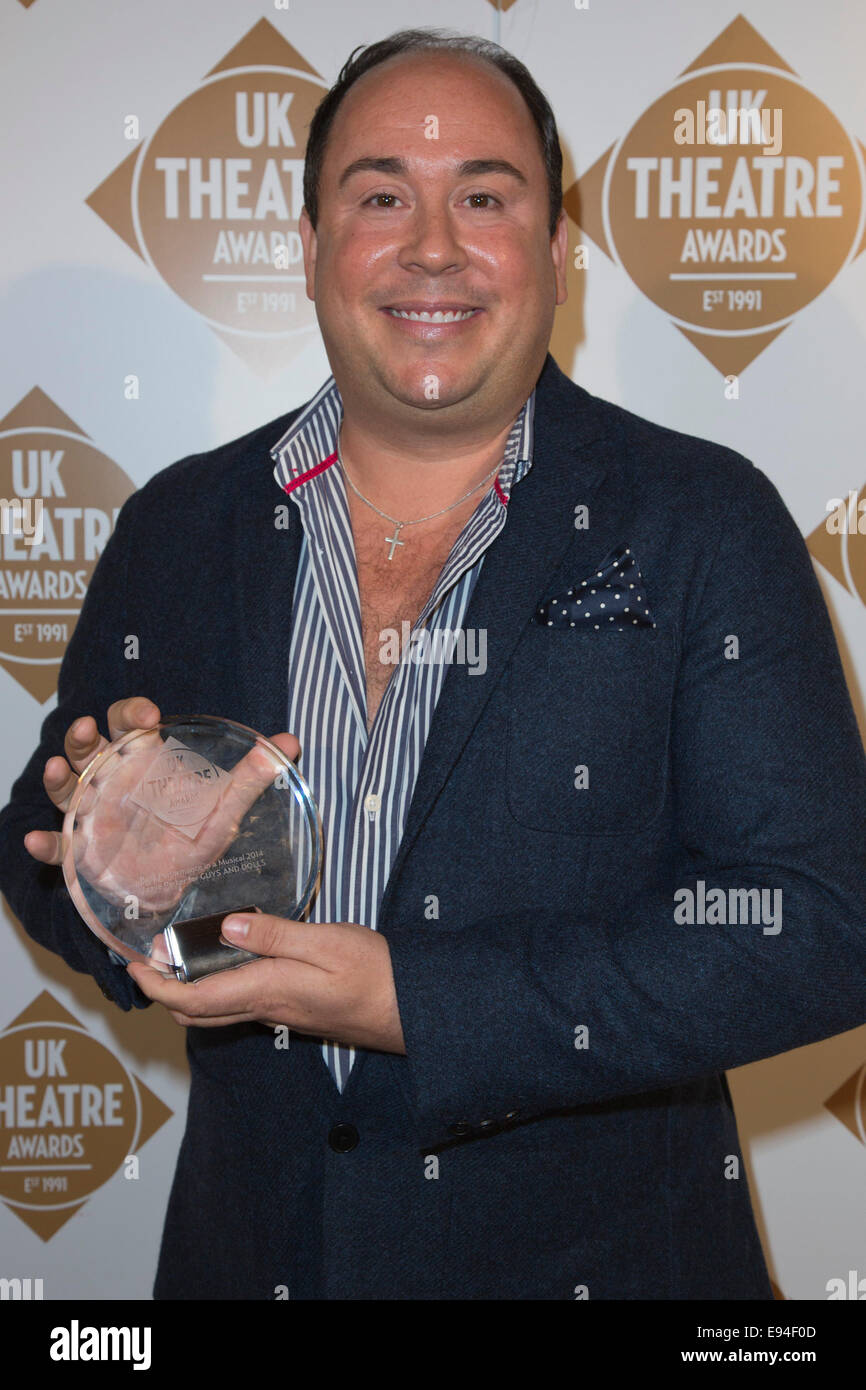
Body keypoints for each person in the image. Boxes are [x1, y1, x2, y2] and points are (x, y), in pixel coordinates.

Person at [2, 28, 866, 1302]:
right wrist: (106, 859)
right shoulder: (181, 524)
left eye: (482, 194)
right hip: (257, 1259)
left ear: (558, 251)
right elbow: (45, 838)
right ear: (306, 252)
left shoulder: (699, 517)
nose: (431, 246)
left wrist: (416, 1001)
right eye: (379, 197)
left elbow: (816, 926)